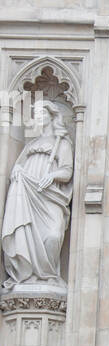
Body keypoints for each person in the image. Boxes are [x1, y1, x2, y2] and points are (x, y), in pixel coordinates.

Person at [1, 101, 74, 289]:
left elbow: (67, 172)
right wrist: (17, 169)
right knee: (25, 233)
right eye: (36, 113)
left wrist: (52, 176)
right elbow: (18, 165)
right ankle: (28, 274)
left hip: (49, 196)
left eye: (42, 112)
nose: (38, 116)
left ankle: (48, 275)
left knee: (53, 234)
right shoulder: (32, 144)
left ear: (52, 116)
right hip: (28, 194)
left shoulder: (62, 143)